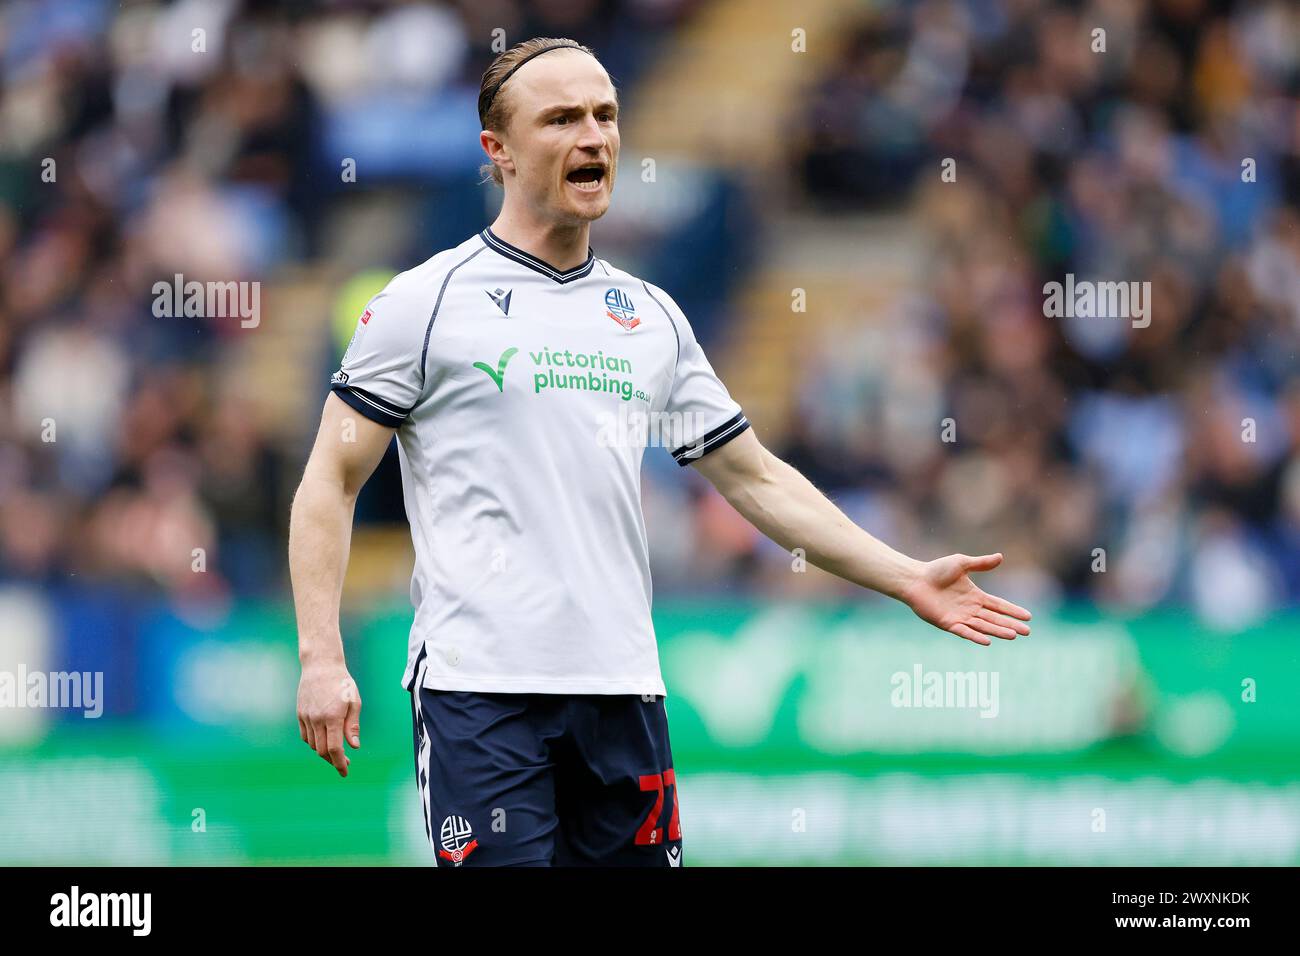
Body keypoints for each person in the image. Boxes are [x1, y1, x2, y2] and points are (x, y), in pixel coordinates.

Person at [288, 37, 1031, 867]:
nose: (594, 137)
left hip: (622, 690)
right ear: (496, 151)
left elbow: (753, 477)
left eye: (605, 115)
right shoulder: (422, 303)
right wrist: (321, 657)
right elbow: (329, 480)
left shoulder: (649, 318)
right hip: (481, 691)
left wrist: (902, 574)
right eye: (562, 118)